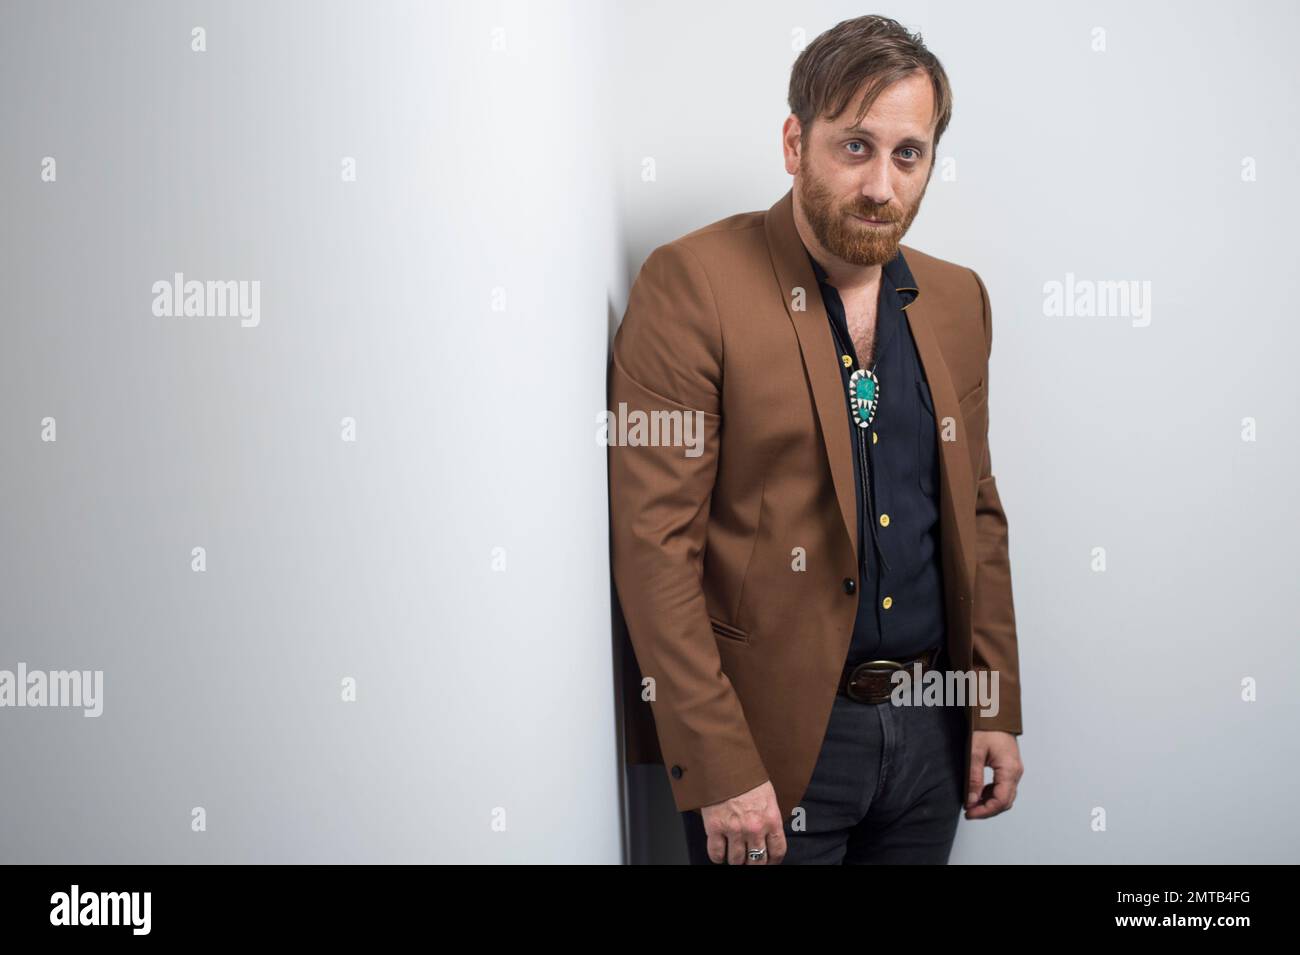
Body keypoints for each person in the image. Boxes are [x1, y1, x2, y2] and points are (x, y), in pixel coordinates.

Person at [608, 14, 1023, 865]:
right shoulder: (692, 284)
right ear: (795, 142)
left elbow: (976, 515)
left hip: (932, 739)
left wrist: (992, 706)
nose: (881, 185)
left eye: (907, 155)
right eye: (855, 147)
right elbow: (656, 548)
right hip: (770, 744)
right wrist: (718, 761)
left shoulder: (958, 300)